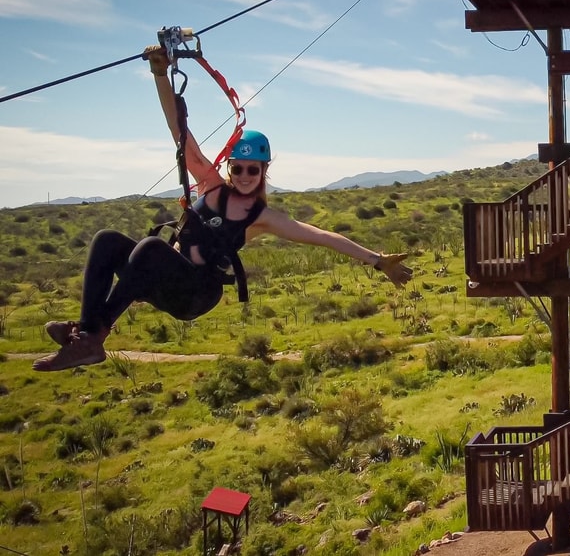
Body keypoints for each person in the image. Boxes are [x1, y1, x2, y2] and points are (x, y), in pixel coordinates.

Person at [33, 45, 414, 372]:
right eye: (238, 168)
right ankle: (84, 332)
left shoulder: (261, 217)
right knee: (107, 240)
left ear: (264, 171)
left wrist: (377, 261)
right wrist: (159, 75)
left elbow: (321, 237)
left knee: (150, 248)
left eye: (254, 169)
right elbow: (180, 133)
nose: (245, 175)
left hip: (196, 295)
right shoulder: (210, 185)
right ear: (229, 167)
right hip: (166, 282)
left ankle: (94, 337)